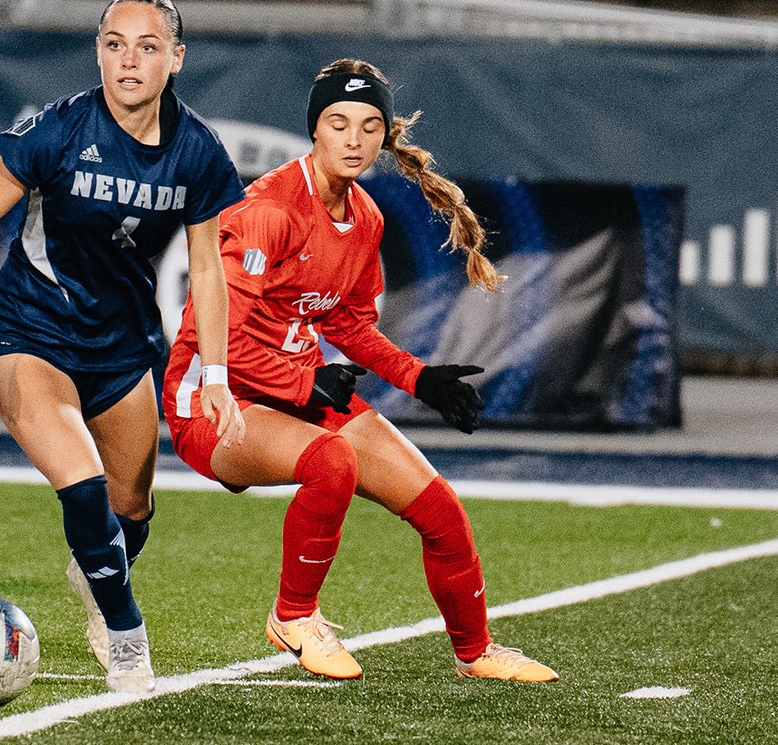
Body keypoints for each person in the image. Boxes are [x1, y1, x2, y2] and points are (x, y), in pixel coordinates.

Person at [163, 59, 557, 684]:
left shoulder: (366, 217)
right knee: (331, 463)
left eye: (369, 126)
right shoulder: (266, 209)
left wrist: (419, 379)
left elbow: (347, 326)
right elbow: (222, 338)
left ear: (384, 136)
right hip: (212, 400)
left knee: (441, 511)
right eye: (338, 123)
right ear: (314, 131)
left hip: (294, 390)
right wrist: (302, 383)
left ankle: (476, 651)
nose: (354, 139)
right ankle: (294, 616)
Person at [0, 0, 246, 693]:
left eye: (145, 46)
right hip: (29, 330)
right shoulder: (57, 131)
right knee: (83, 483)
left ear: (176, 58)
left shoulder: (196, 149)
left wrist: (218, 375)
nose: (128, 60)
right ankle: (127, 639)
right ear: (97, 50)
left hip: (121, 343)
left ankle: (97, 568)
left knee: (132, 507)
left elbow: (207, 267)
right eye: (113, 43)